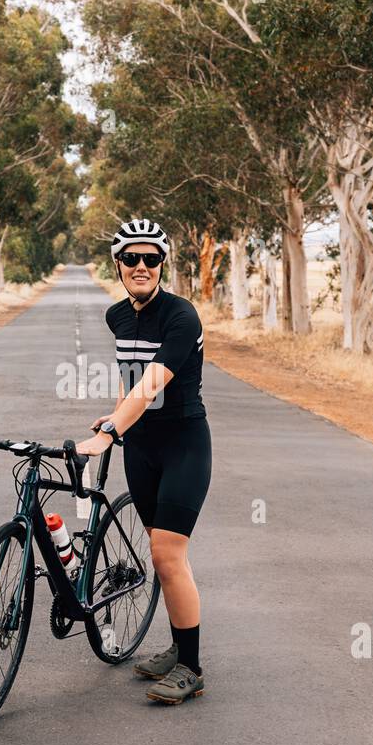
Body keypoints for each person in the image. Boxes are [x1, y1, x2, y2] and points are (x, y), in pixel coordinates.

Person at [76, 219, 212, 705]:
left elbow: (153, 382)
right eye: (130, 258)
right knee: (160, 552)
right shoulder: (118, 316)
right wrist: (118, 420)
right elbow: (130, 377)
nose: (140, 266)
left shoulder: (182, 317)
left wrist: (113, 429)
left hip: (183, 445)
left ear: (162, 264)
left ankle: (191, 668)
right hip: (142, 448)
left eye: (150, 258)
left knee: (168, 555)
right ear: (118, 264)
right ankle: (179, 647)